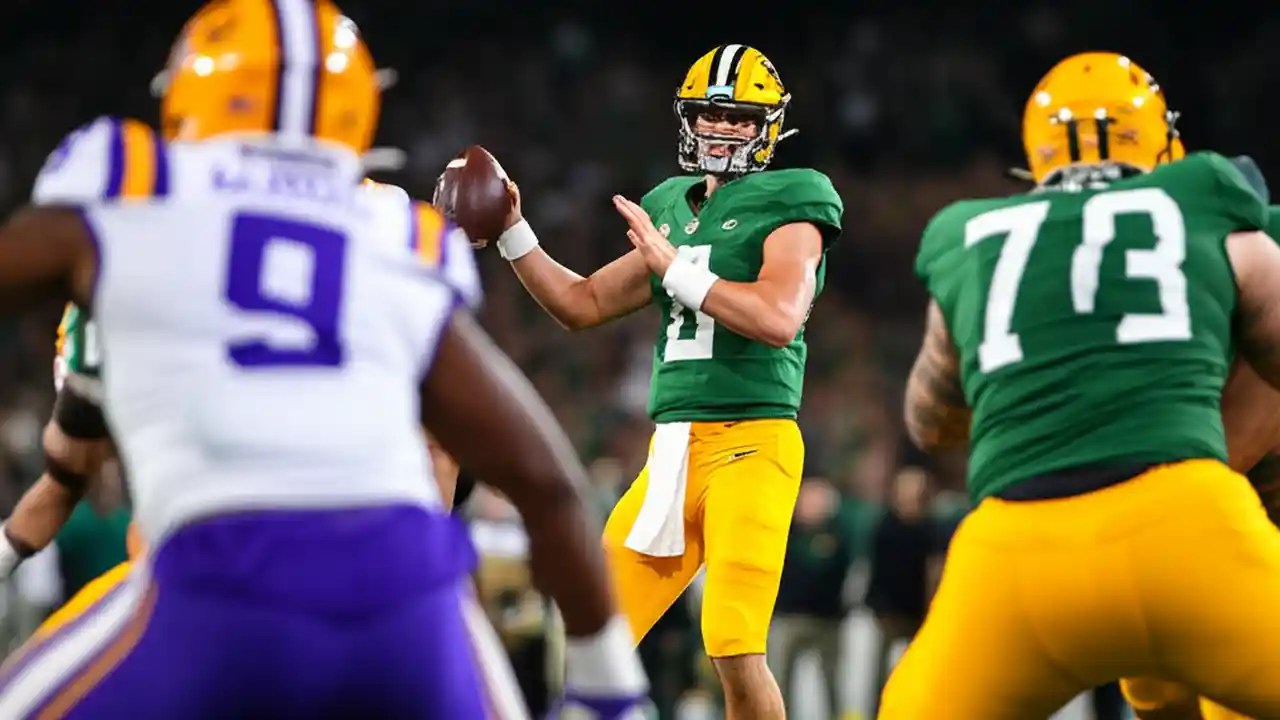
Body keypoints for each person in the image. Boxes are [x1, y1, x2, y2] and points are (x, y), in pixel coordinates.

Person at [0, 1, 648, 717]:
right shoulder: (396, 234)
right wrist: (610, 687)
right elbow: (546, 479)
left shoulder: (130, 187)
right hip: (409, 603)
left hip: (219, 587)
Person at [881, 51, 1280, 718]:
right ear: (1161, 144)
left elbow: (931, 421)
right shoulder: (1208, 199)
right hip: (1184, 519)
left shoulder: (971, 235)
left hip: (1016, 546)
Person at [494, 43, 843, 718]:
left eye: (741, 118)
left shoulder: (796, 197)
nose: (723, 129)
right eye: (711, 115)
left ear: (769, 127)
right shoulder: (669, 206)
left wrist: (675, 268)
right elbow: (583, 303)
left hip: (752, 444)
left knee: (733, 645)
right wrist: (513, 231)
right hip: (673, 452)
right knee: (592, 628)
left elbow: (777, 317)